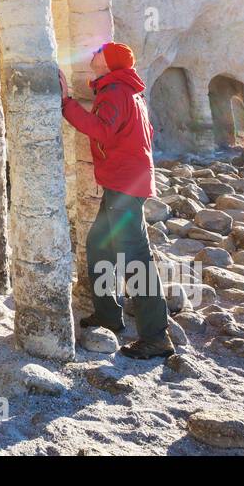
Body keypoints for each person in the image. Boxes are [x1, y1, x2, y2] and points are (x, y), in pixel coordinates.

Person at [58, 42, 175, 360]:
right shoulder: (127, 91)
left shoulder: (115, 92)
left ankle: (155, 336)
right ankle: (108, 315)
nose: (92, 54)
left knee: (135, 257)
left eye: (98, 51)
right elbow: (145, 132)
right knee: (99, 244)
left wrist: (66, 102)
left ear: (109, 62)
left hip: (125, 185)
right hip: (124, 183)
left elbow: (102, 131)